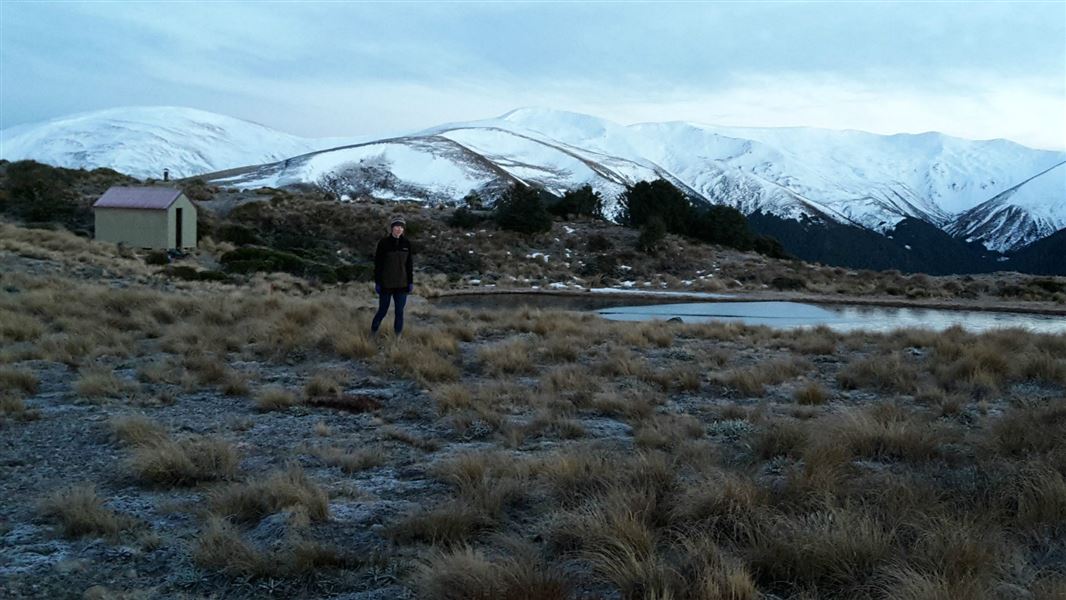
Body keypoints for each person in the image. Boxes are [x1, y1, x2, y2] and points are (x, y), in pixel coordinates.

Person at [371, 214, 413, 337]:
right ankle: (373, 332)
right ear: (392, 228)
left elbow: (409, 264)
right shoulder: (383, 243)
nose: (399, 229)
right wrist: (378, 282)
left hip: (402, 284)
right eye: (396, 226)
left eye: (401, 227)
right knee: (382, 311)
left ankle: (397, 338)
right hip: (386, 284)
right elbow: (378, 264)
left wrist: (410, 282)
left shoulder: (407, 243)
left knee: (399, 312)